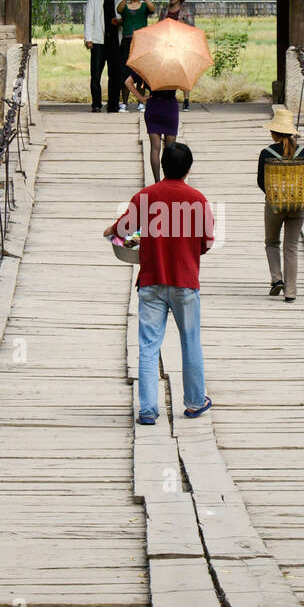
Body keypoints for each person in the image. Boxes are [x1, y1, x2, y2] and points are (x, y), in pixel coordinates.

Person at [104, 141, 213, 424]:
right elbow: (206, 242)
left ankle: (148, 409)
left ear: (162, 166)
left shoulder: (145, 196)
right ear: (189, 169)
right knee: (190, 342)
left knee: (149, 345)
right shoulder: (198, 200)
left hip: (151, 281)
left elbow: (125, 228)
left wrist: (112, 229)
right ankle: (193, 402)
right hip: (185, 282)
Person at [258, 107, 304, 303]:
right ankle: (291, 291)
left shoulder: (266, 153)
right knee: (291, 247)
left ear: (274, 132)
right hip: (298, 206)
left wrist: (274, 195)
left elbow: (260, 181)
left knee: (272, 242)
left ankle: (276, 279)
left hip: (274, 205)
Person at [124, 68, 179, 183]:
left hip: (153, 105)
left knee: (155, 147)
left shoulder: (147, 67)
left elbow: (128, 82)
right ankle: (169, 181)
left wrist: (141, 98)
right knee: (170, 148)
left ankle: (157, 182)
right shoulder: (175, 68)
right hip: (170, 107)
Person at [84, 0, 124, 113]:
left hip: (115, 41)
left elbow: (125, 17)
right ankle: (96, 104)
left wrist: (120, 21)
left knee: (115, 76)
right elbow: (89, 19)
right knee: (95, 75)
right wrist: (88, 38)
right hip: (98, 41)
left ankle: (113, 105)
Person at [117, 0, 155, 111]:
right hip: (127, 41)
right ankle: (124, 102)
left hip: (142, 42)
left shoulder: (144, 6)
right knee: (125, 71)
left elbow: (152, 9)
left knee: (141, 73)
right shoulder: (125, 5)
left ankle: (141, 102)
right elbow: (119, 9)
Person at [158, 0, 195, 110]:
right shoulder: (164, 10)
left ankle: (186, 99)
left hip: (181, 44)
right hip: (167, 44)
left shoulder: (186, 11)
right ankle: (169, 96)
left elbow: (192, 28)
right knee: (168, 71)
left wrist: (180, 25)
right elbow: (159, 26)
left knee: (183, 71)